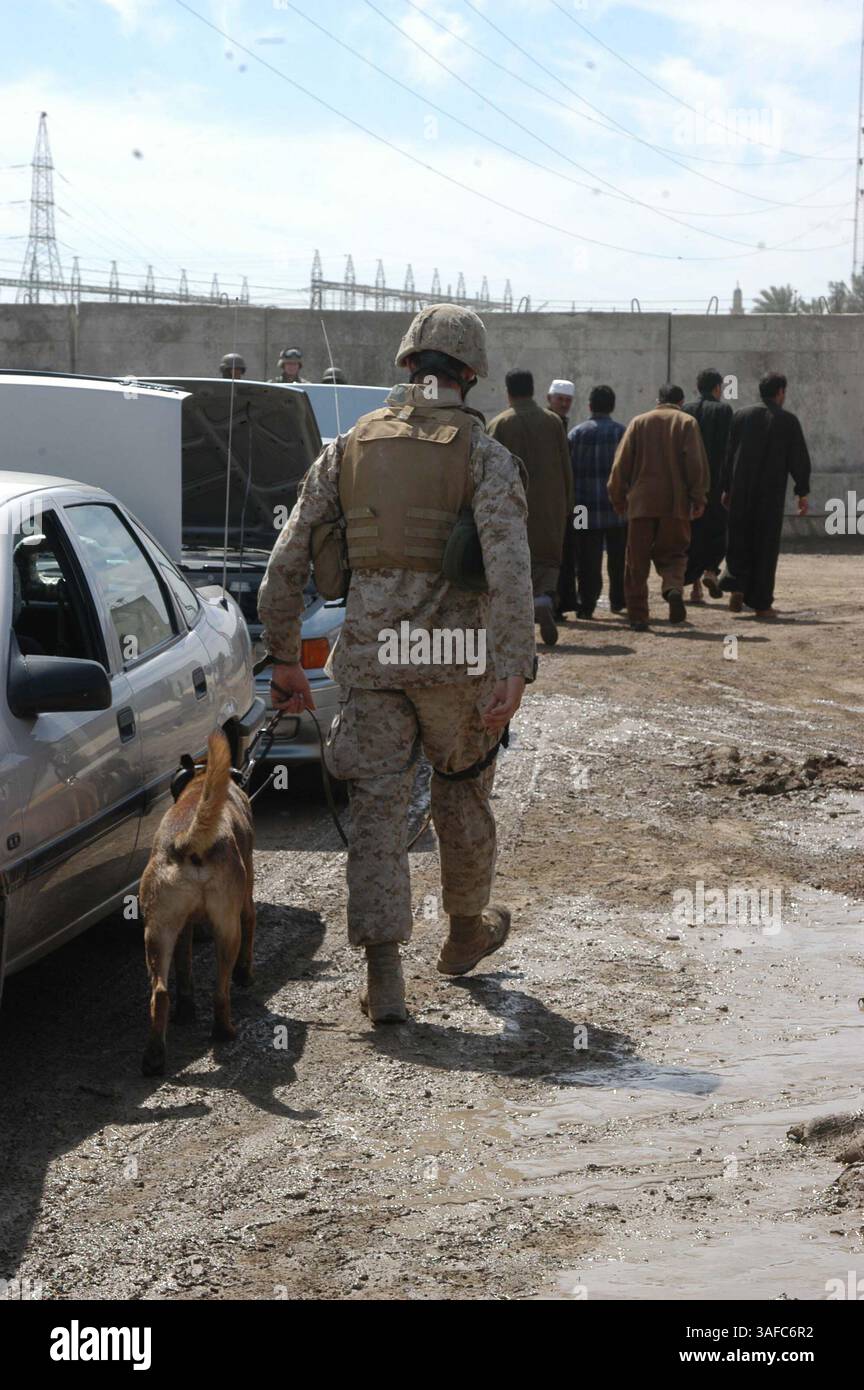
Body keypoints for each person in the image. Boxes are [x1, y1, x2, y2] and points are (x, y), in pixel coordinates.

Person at [257, 305, 536, 1025]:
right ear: (471, 375)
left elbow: (286, 562)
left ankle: (385, 976)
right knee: (462, 796)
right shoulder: (484, 455)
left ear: (408, 365)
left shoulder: (349, 445)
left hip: (373, 661)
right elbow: (509, 567)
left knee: (378, 814)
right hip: (457, 664)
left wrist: (285, 656)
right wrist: (514, 664)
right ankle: (465, 931)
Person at [607, 383, 709, 631]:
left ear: (657, 400)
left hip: (641, 504)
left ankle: (638, 615)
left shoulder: (639, 422)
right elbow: (696, 465)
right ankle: (673, 588)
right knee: (674, 554)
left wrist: (617, 497)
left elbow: (621, 464)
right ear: (681, 401)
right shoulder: (687, 423)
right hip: (675, 504)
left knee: (636, 562)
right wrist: (699, 498)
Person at [487, 368, 573, 646]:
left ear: (508, 391)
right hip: (550, 510)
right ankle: (545, 598)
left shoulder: (499, 424)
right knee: (547, 564)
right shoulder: (554, 422)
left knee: (514, 567)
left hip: (512, 510)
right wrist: (567, 506)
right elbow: (566, 469)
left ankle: (517, 624)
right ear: (535, 390)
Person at [718, 372, 810, 619]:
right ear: (780, 392)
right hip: (770, 495)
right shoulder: (788, 420)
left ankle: (736, 584)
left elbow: (729, 455)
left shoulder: (741, 416)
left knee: (740, 539)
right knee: (765, 546)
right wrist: (802, 492)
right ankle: (761, 603)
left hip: (741, 492)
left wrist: (726, 488)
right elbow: (799, 459)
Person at [566, 385, 626, 619]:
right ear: (612, 406)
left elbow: (568, 471)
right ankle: (618, 600)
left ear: (590, 406)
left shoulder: (576, 434)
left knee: (586, 559)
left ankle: (587, 602)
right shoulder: (622, 433)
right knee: (618, 557)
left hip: (582, 509)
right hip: (616, 506)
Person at [682, 368, 733, 603]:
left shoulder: (686, 410)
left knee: (692, 533)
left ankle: (694, 588)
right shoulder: (723, 411)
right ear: (717, 388)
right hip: (715, 483)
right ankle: (711, 571)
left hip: (689, 483)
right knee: (717, 530)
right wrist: (728, 485)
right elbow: (728, 450)